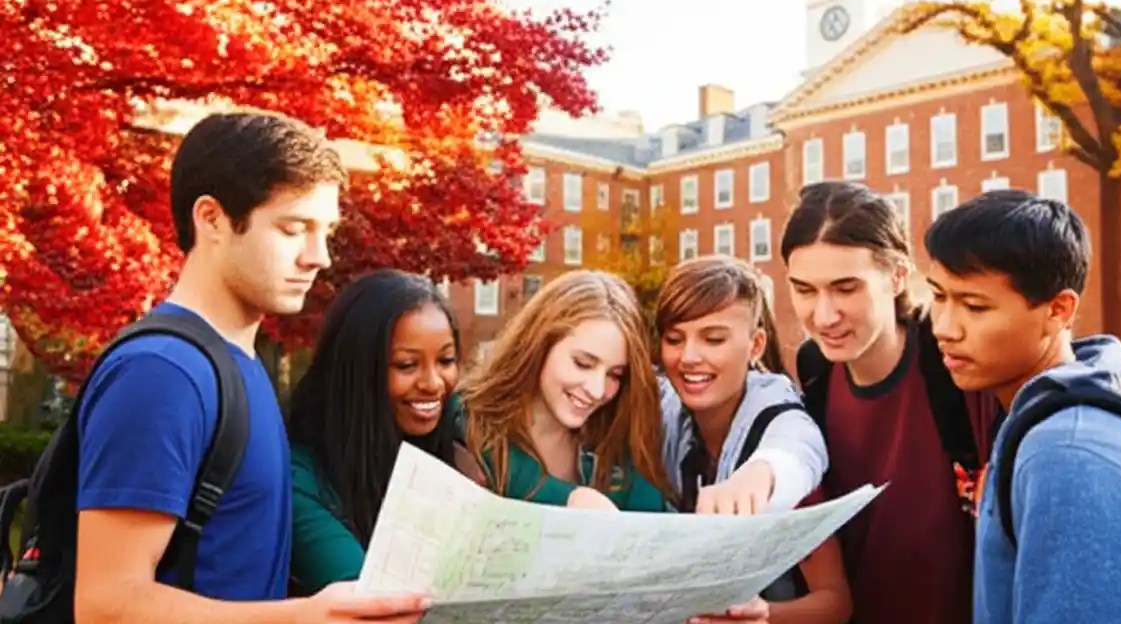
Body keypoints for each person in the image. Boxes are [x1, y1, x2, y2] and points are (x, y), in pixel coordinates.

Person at [74, 113, 429, 622]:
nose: (320, 256)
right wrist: (308, 617)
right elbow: (106, 605)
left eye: (326, 231)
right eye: (293, 228)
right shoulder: (162, 374)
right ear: (212, 219)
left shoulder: (236, 363)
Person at [923, 190, 1121, 623]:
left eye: (974, 306)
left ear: (1058, 309)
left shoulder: (1070, 455)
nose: (943, 327)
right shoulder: (1047, 420)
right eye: (938, 296)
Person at [780, 180, 1003, 624]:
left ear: (898, 275)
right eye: (804, 290)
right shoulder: (814, 378)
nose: (823, 316)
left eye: (846, 288)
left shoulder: (957, 369)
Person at [655, 255, 850, 624]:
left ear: (756, 345)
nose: (689, 357)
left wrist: (762, 616)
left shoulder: (775, 423)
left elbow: (836, 603)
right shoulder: (666, 413)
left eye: (713, 339)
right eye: (674, 339)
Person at [288, 269, 462, 594]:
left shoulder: (455, 431)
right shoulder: (301, 480)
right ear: (358, 371)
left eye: (446, 360)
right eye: (406, 365)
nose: (433, 383)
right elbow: (368, 603)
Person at [456, 269, 671, 511]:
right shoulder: (464, 420)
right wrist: (569, 498)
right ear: (540, 344)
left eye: (615, 375)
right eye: (583, 364)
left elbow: (653, 525)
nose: (597, 390)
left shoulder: (621, 437)